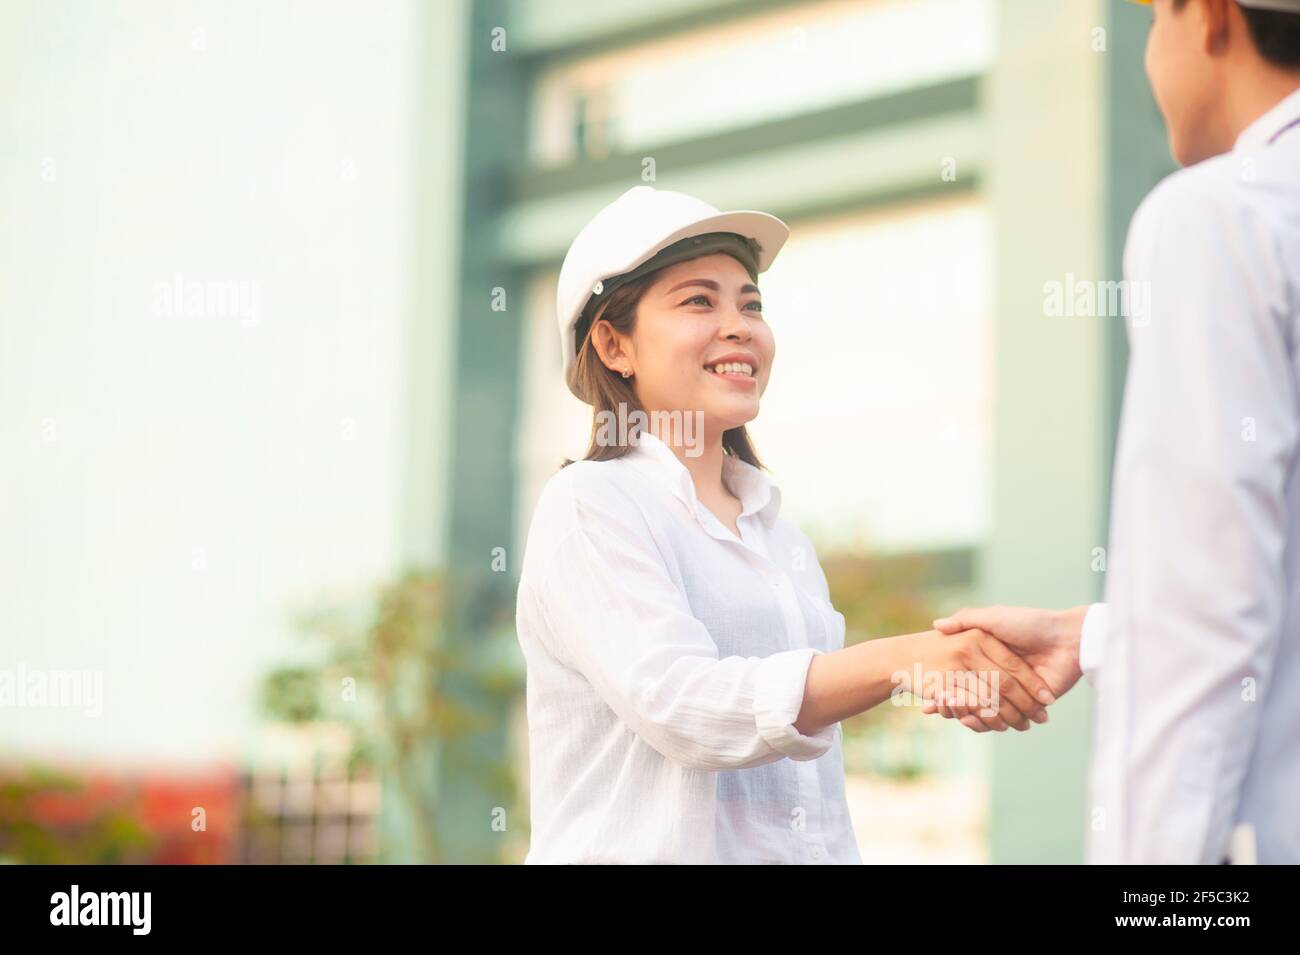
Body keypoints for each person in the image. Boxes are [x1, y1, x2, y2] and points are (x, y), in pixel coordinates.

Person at [513, 185, 1058, 864]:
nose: (739, 325)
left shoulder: (780, 537)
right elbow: (685, 706)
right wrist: (904, 660)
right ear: (613, 343)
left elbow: (808, 794)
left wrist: (934, 671)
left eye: (752, 304)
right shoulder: (592, 503)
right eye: (698, 300)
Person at [925, 0, 1300, 864]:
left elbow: (1204, 611)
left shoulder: (1220, 215)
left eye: (1151, 21)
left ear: (1206, 18)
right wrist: (1099, 634)